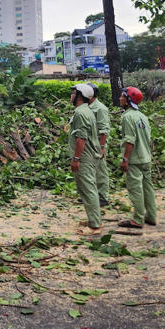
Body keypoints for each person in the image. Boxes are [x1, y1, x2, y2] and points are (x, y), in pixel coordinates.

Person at [118, 86, 157, 231]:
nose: (120, 98)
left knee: (135, 189)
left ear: (128, 101)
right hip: (146, 157)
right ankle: (151, 216)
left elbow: (130, 140)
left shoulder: (127, 117)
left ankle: (137, 219)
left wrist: (125, 159)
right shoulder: (143, 116)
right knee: (148, 188)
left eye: (122, 96)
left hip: (134, 159)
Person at [68, 83, 102, 235]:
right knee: (88, 189)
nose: (71, 96)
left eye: (73, 93)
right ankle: (93, 219)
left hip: (85, 157)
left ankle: (94, 226)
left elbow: (81, 139)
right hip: (89, 156)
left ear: (80, 96)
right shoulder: (85, 111)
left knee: (88, 190)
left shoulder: (81, 114)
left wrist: (76, 158)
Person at [87, 83, 111, 207]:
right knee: (89, 172)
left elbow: (104, 130)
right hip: (87, 144)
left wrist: (101, 147)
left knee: (100, 171)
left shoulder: (100, 109)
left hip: (96, 144)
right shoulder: (87, 107)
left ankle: (103, 197)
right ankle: (91, 195)